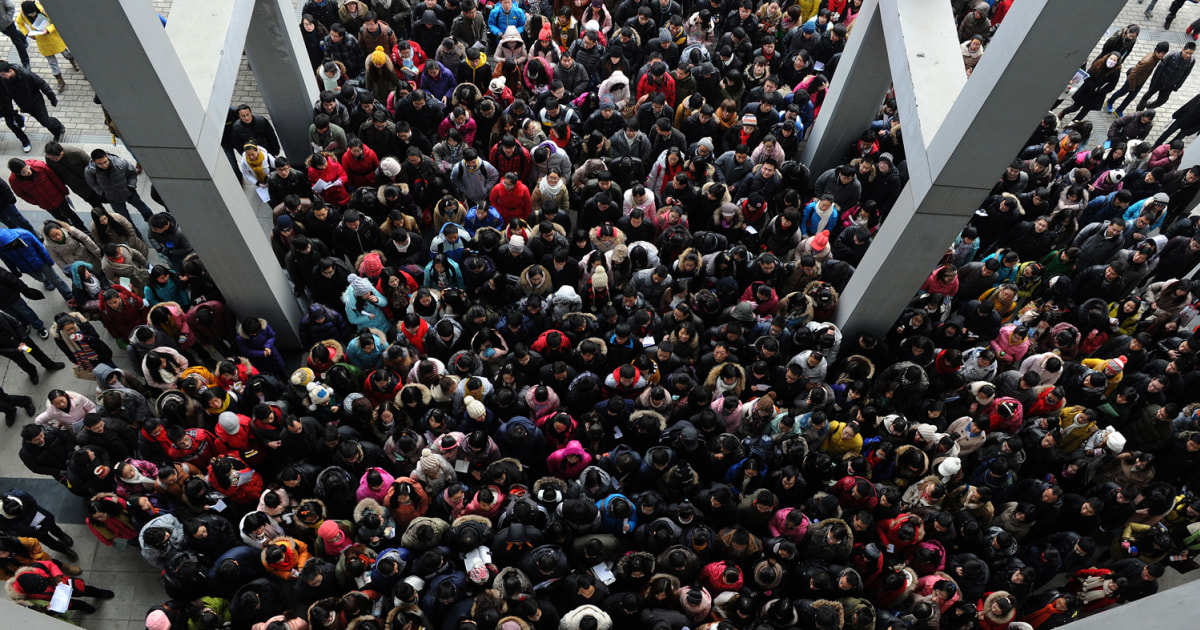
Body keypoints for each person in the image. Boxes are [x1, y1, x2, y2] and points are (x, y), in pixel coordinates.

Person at [7, 157, 86, 230]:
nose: (28, 172)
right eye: (24, 172)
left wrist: (64, 191)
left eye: (27, 168)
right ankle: (69, 229)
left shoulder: (40, 167)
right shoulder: (14, 181)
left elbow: (55, 179)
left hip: (58, 197)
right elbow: (21, 194)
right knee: (59, 218)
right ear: (18, 174)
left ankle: (82, 228)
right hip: (45, 204)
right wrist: (36, 202)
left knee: (70, 214)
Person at [15, 2, 76, 93]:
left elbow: (56, 21)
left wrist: (48, 30)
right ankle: (60, 80)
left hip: (53, 38)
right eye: (30, 14)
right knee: (52, 62)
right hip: (42, 41)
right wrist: (27, 33)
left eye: (33, 13)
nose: (32, 15)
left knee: (66, 53)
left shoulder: (43, 10)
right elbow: (19, 23)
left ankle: (73, 61)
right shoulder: (23, 15)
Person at [83, 150, 154, 223]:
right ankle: (135, 233)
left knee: (143, 209)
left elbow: (132, 173)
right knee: (124, 219)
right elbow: (93, 184)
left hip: (129, 192)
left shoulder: (120, 163)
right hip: (112, 197)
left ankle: (153, 223)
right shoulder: (90, 171)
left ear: (107, 157)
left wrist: (131, 186)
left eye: (105, 162)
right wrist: (102, 193)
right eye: (100, 164)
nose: (104, 165)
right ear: (93, 161)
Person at [0, 61, 61, 140]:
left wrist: (52, 98)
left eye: (3, 75)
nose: (2, 77)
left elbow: (42, 84)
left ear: (10, 71)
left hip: (36, 102)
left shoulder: (25, 75)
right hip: (24, 105)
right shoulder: (4, 80)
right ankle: (55, 131)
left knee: (45, 121)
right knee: (41, 120)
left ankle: (58, 128)